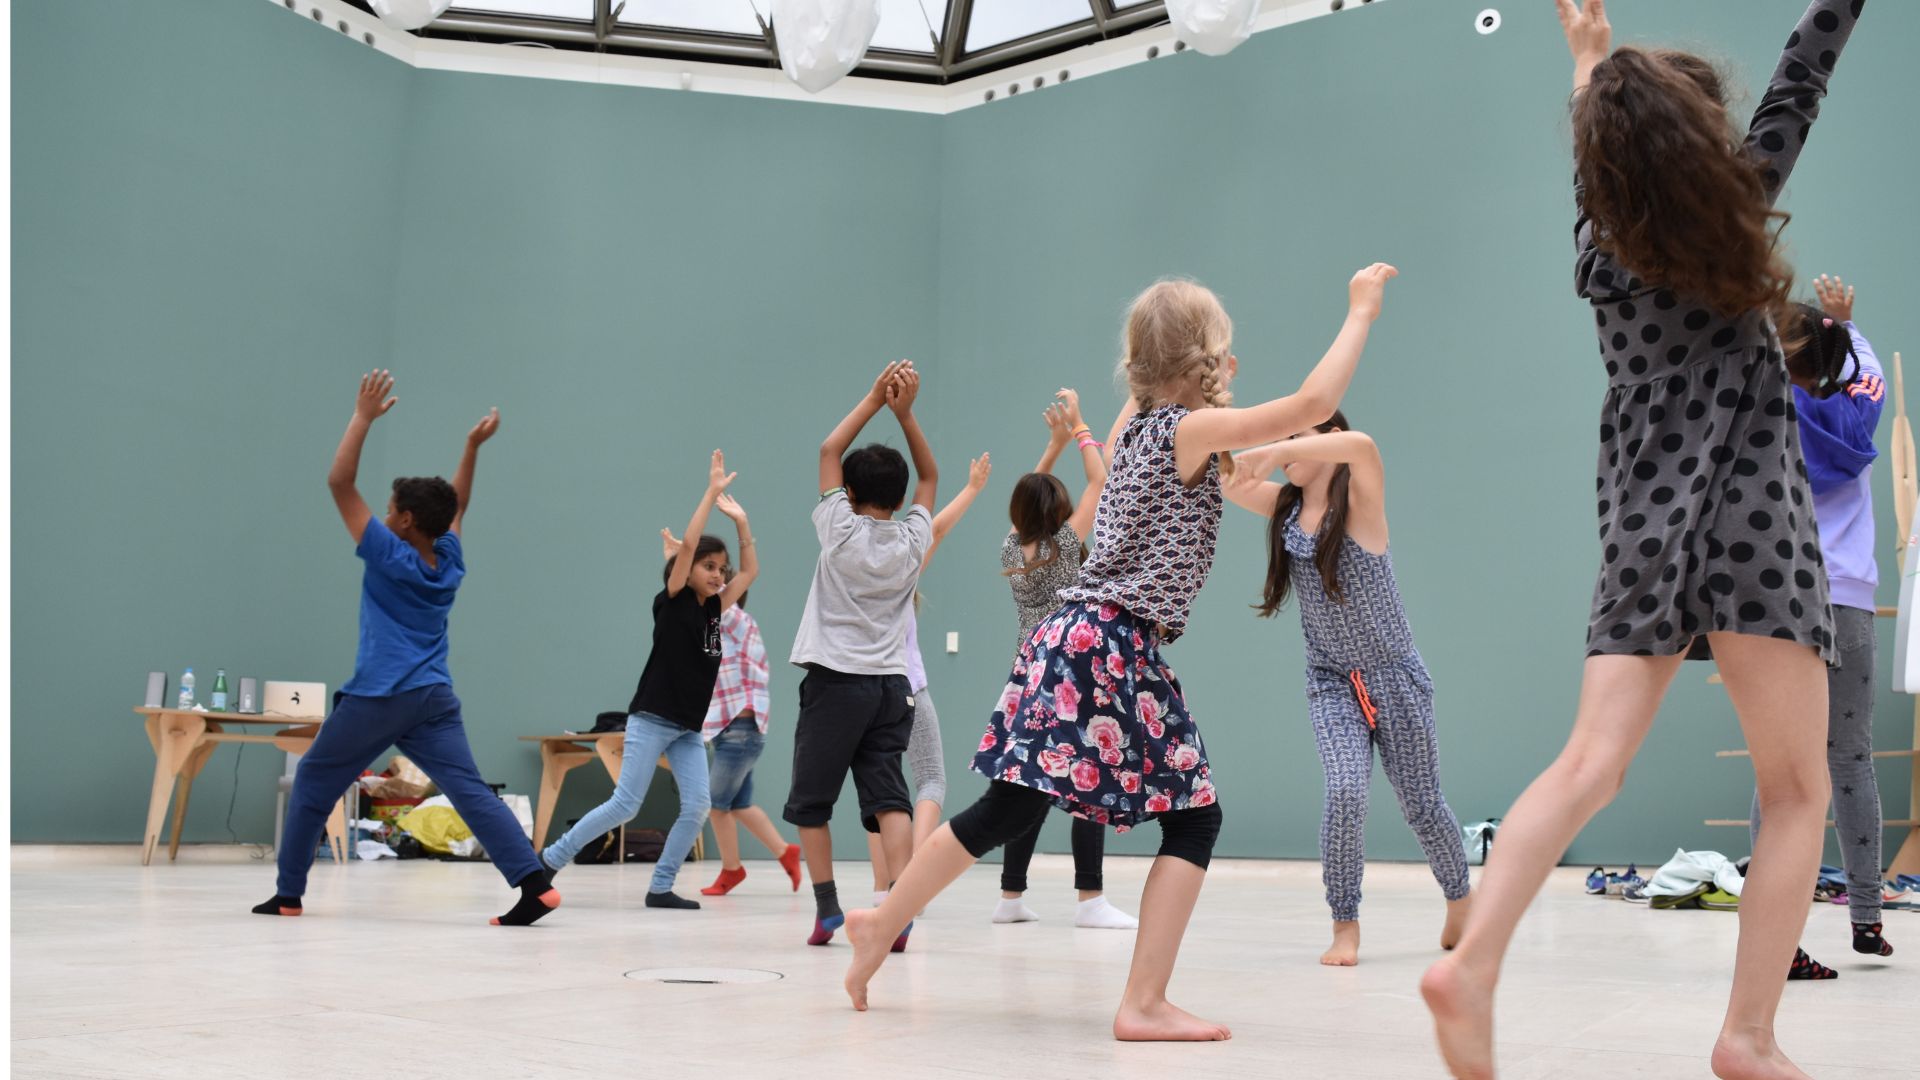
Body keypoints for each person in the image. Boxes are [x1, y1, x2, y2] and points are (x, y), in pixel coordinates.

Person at [1422, 4, 1864, 1078]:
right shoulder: (1739, 214)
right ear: (1704, 146)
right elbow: (1801, 78)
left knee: (1590, 763)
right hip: (1755, 520)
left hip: (1642, 520)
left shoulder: (1598, 246)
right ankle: (1747, 1037)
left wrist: (1584, 63)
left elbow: (1600, 156)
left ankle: (1473, 962)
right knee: (1799, 790)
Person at [843, 265, 1399, 1042]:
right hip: (1112, 642)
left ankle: (880, 923)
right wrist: (1361, 312)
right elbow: (1311, 406)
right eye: (1224, 353)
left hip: (1072, 636)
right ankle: (1141, 1003)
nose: (1230, 367)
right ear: (1201, 361)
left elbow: (1154, 383)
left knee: (1010, 804)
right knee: (1196, 818)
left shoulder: (1139, 425)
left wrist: (1115, 400)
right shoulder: (1184, 429)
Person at [254, 371, 558, 927]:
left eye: (392, 510)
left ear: (407, 520)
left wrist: (362, 417)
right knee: (468, 790)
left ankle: (288, 894)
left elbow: (340, 484)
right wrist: (471, 447)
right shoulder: (449, 560)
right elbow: (458, 505)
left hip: (381, 694)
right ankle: (534, 883)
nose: (385, 516)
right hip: (433, 697)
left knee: (314, 782)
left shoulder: (389, 555)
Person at [1225, 412, 1471, 965]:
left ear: (1332, 443)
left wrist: (1271, 451)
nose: (1284, 449)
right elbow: (1225, 477)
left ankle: (1460, 896)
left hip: (1395, 678)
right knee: (1345, 792)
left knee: (1423, 806)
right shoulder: (1286, 510)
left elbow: (1367, 447)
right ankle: (1345, 924)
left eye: (1296, 439)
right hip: (1332, 680)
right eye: (1282, 440)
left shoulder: (1360, 503)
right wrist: (1220, 398)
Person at [538, 453, 759, 910]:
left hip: (688, 729)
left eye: (721, 568)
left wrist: (742, 523)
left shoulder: (715, 614)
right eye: (708, 566)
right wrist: (711, 493)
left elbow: (751, 571)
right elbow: (692, 540)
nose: (718, 574)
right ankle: (550, 859)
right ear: (686, 567)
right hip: (654, 718)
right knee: (626, 804)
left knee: (697, 806)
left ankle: (660, 887)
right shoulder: (673, 601)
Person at [1749, 274, 1893, 969]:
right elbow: (1857, 377)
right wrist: (1845, 324)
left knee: (1780, 776)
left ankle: (1784, 943)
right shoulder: (1858, 411)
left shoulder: (1767, 410)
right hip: (1853, 596)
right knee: (1852, 759)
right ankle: (1867, 917)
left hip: (1785, 596)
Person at [787, 361, 936, 947]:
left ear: (846, 495)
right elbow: (929, 473)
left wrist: (875, 396)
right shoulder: (911, 539)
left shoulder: (839, 530)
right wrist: (906, 413)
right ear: (899, 498)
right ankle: (896, 912)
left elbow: (829, 446)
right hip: (890, 690)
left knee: (812, 802)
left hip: (833, 684)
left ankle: (827, 911)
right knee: (888, 797)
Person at [993, 391, 1136, 930]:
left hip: (1024, 671)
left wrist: (1048, 452)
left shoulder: (1013, 548)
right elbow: (1100, 481)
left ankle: (1010, 897)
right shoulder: (1064, 545)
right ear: (1057, 511)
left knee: (1027, 783)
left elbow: (1025, 498)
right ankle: (1090, 899)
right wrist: (1078, 431)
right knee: (1087, 781)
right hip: (1067, 670)